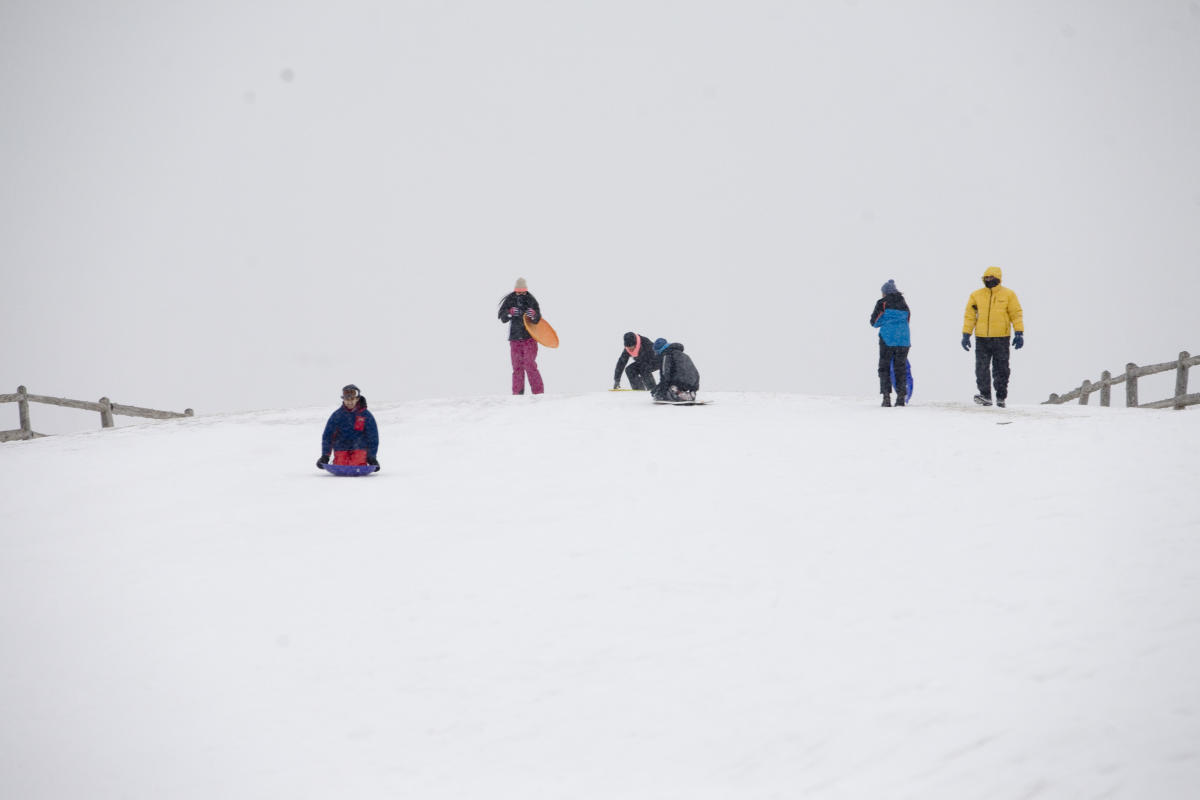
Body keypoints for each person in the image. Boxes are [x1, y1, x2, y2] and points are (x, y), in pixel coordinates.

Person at [962, 265, 1024, 407]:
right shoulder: (976, 295)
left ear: (998, 278)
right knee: (981, 368)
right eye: (986, 277)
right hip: (982, 338)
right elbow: (969, 316)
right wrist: (966, 334)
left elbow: (1016, 314)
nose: (988, 280)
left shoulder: (1009, 295)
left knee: (1001, 368)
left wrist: (1019, 332)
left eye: (991, 277)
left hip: (1001, 338)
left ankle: (1001, 397)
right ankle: (985, 396)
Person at [497, 277, 544, 395]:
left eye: (523, 292)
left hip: (530, 338)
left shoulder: (531, 299)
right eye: (518, 292)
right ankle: (517, 395)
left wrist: (534, 315)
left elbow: (538, 319)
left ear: (526, 290)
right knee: (517, 367)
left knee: (529, 365)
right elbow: (502, 317)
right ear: (515, 290)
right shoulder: (510, 299)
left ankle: (538, 394)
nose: (520, 294)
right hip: (514, 339)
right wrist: (509, 312)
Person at [317, 384, 380, 470]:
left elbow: (373, 437)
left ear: (357, 399)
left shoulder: (366, 415)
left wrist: (372, 457)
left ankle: (360, 463)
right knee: (341, 465)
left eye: (352, 399)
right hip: (341, 447)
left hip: (359, 448)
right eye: (347, 399)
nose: (349, 402)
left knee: (356, 464)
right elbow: (328, 436)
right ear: (343, 399)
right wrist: (325, 456)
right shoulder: (337, 415)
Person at [870, 279, 911, 407]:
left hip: (887, 339)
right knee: (900, 368)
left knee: (885, 367)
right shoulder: (904, 303)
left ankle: (886, 397)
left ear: (885, 292)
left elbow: (874, 322)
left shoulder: (882, 303)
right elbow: (908, 319)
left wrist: (886, 322)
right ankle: (900, 397)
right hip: (903, 340)